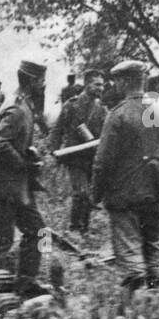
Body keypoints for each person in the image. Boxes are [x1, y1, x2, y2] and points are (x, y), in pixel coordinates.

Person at [91, 59, 159, 292]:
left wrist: (96, 195)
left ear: (123, 82)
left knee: (132, 264)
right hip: (158, 194)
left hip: (126, 199)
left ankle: (138, 313)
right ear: (143, 80)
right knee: (157, 261)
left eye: (117, 81)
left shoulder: (117, 115)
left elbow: (102, 163)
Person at [0, 60, 48, 297]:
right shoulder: (16, 108)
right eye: (42, 81)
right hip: (3, 186)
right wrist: (22, 163)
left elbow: (11, 142)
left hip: (16, 186)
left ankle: (25, 283)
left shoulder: (23, 104)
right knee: (1, 242)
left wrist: (28, 154)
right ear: (33, 81)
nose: (44, 85)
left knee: (40, 232)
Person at [49, 68, 108, 234]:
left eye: (102, 85)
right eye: (97, 85)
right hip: (74, 158)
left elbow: (107, 133)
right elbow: (57, 129)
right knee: (80, 193)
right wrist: (54, 150)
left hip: (92, 158)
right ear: (87, 84)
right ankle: (75, 229)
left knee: (89, 194)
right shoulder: (71, 105)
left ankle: (84, 230)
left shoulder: (102, 109)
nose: (101, 88)